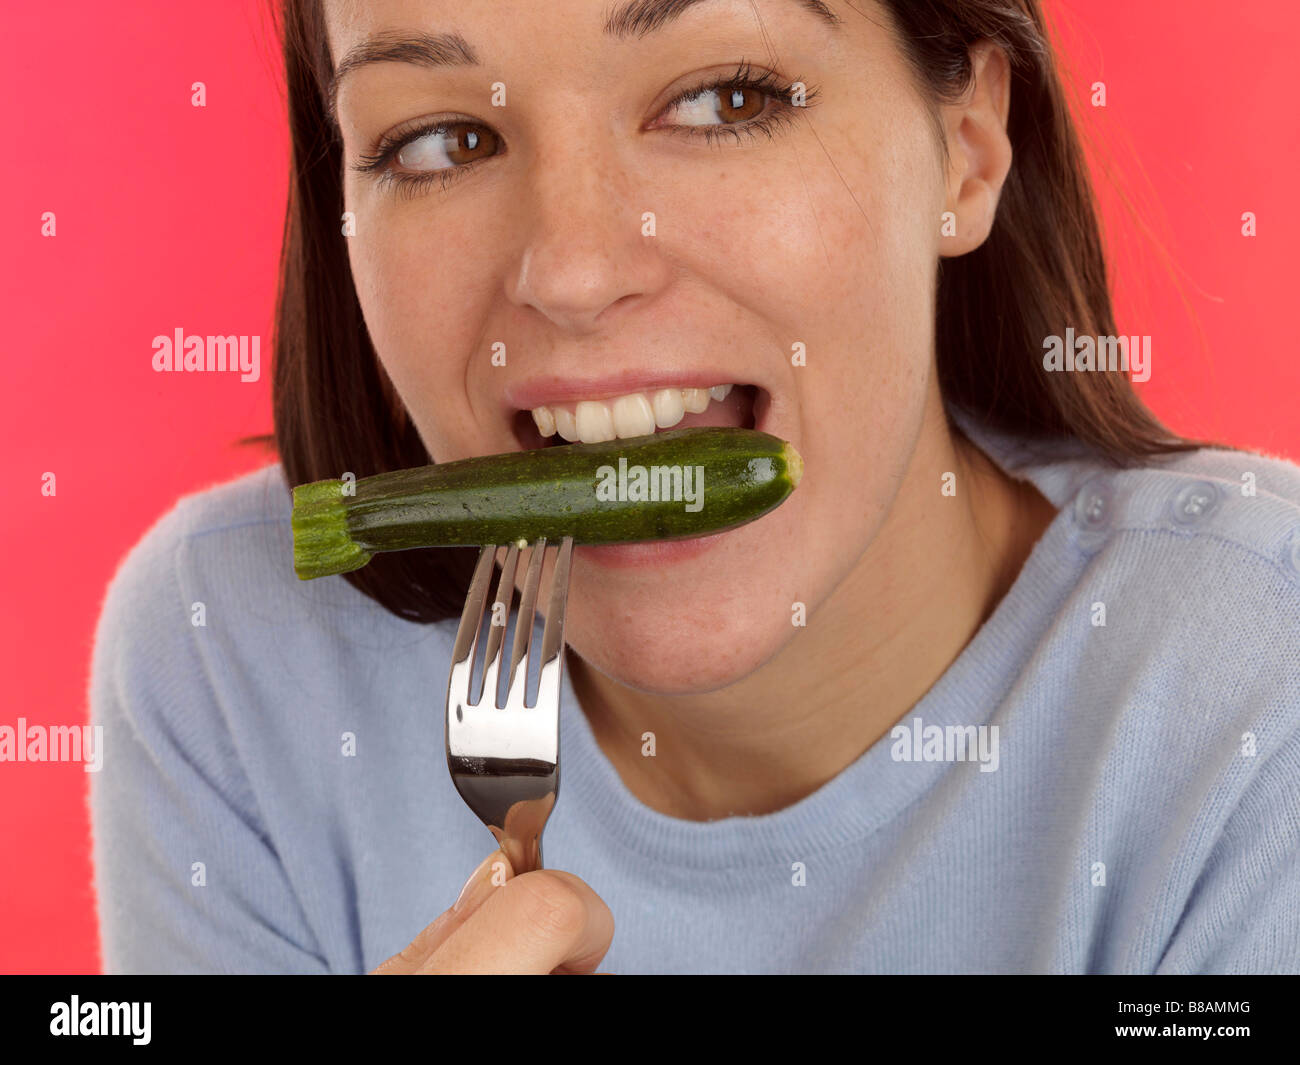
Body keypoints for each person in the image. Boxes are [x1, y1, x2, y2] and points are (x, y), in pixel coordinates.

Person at [90, 0, 1300, 974]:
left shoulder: (1257, 691)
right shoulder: (226, 653)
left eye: (725, 98)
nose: (571, 270)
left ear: (968, 148)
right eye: (439, 140)